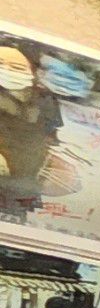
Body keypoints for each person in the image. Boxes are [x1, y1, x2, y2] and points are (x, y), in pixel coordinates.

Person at [0, 43, 64, 223]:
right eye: (2, 65)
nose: (8, 70)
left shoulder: (46, 100)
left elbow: (52, 137)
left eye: (17, 67)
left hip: (27, 179)